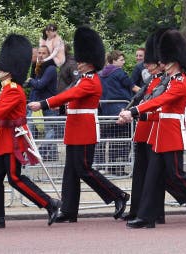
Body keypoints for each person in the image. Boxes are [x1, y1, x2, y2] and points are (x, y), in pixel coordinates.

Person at [120, 29, 186, 228]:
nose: (162, 63)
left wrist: (134, 112)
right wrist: (140, 113)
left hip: (172, 134)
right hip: (160, 135)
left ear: (174, 60)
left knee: (176, 175)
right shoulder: (168, 81)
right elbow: (158, 108)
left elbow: (160, 101)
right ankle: (147, 216)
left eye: (165, 60)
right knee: (153, 177)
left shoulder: (180, 82)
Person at [27, 27, 130, 223]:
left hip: (85, 129)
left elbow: (69, 95)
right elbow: (73, 101)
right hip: (74, 128)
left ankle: (118, 195)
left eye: (81, 62)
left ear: (90, 63)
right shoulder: (82, 79)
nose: (78, 64)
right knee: (71, 171)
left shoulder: (91, 81)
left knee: (84, 169)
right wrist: (63, 109)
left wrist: (43, 103)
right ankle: (68, 210)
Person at [0, 34, 61, 228]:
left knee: (15, 178)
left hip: (14, 140)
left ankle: (50, 203)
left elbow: (0, 111)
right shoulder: (6, 88)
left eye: (3, 68)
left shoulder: (14, 90)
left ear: (10, 70)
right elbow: (1, 116)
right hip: (4, 139)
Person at [122, 29, 186, 222]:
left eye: (153, 61)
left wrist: (135, 113)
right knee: (148, 176)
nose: (148, 65)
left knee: (165, 176)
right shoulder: (156, 80)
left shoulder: (170, 81)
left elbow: (157, 104)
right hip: (149, 131)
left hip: (159, 132)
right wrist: (133, 112)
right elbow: (146, 101)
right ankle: (142, 211)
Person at [98, 50, 135, 176]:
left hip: (106, 111)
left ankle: (108, 166)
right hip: (121, 109)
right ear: (113, 61)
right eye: (121, 60)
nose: (123, 62)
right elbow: (132, 86)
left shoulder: (101, 74)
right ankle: (118, 168)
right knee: (123, 140)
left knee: (110, 139)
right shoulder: (119, 72)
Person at [25, 45, 59, 161]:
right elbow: (34, 84)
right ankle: (35, 154)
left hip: (48, 104)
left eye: (43, 53)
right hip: (35, 103)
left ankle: (39, 152)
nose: (40, 55)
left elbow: (40, 84)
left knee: (50, 130)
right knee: (30, 129)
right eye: (39, 53)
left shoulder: (51, 69)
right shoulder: (37, 66)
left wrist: (31, 81)